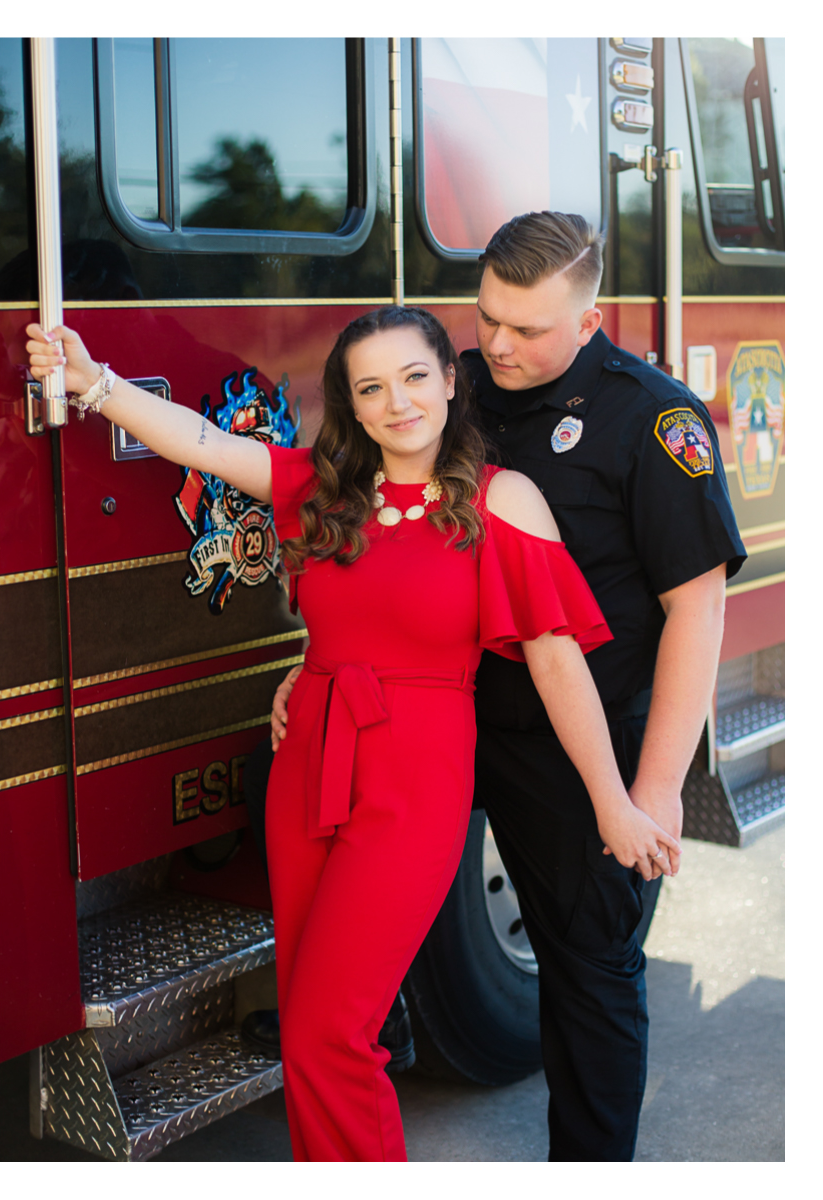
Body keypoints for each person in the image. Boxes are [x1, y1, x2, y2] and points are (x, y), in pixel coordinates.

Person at [23, 305, 682, 1162]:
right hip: (309, 761)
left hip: (416, 774)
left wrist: (614, 802)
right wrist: (93, 383)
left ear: (452, 381)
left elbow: (558, 667)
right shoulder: (324, 491)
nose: (396, 402)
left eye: (414, 377)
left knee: (336, 1032)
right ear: (352, 405)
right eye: (371, 388)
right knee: (304, 1027)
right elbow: (199, 443)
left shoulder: (502, 501)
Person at [270, 212, 745, 1160]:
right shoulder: (454, 384)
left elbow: (696, 608)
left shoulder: (654, 419)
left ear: (589, 317)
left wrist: (651, 790)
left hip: (575, 737)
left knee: (587, 969)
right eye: (487, 318)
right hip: (427, 723)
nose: (498, 345)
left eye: (527, 329)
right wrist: (322, 657)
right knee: (352, 952)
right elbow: (385, 535)